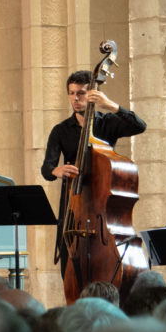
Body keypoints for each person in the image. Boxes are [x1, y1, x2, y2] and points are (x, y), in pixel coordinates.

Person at [40, 69, 146, 268]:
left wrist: (110, 105)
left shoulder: (107, 123)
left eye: (81, 93)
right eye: (72, 93)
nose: (76, 98)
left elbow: (139, 126)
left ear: (92, 94)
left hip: (102, 205)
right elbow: (47, 168)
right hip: (73, 202)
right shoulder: (60, 130)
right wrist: (57, 171)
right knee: (69, 261)